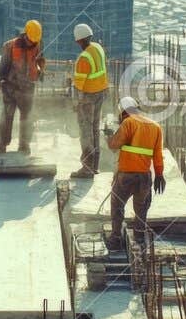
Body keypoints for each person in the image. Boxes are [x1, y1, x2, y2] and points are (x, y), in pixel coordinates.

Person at [105, 96, 165, 250]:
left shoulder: (128, 123)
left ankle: (116, 239)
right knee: (141, 208)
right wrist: (159, 174)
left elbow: (114, 145)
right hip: (144, 177)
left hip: (126, 176)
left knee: (117, 206)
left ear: (122, 111)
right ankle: (139, 239)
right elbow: (158, 154)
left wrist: (108, 136)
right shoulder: (155, 126)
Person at [0, 19, 45, 154]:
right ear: (25, 34)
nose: (32, 43)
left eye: (34, 41)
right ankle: (2, 144)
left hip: (28, 88)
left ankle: (24, 145)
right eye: (31, 40)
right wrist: (1, 79)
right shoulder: (10, 46)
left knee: (27, 117)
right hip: (10, 87)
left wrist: (40, 71)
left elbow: (40, 61)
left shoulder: (38, 44)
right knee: (7, 116)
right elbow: (2, 68)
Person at [69, 23, 108, 178]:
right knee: (94, 129)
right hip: (100, 93)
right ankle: (94, 166)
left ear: (78, 40)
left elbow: (78, 86)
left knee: (86, 132)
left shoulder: (83, 58)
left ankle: (87, 168)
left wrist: (75, 104)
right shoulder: (98, 48)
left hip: (88, 98)